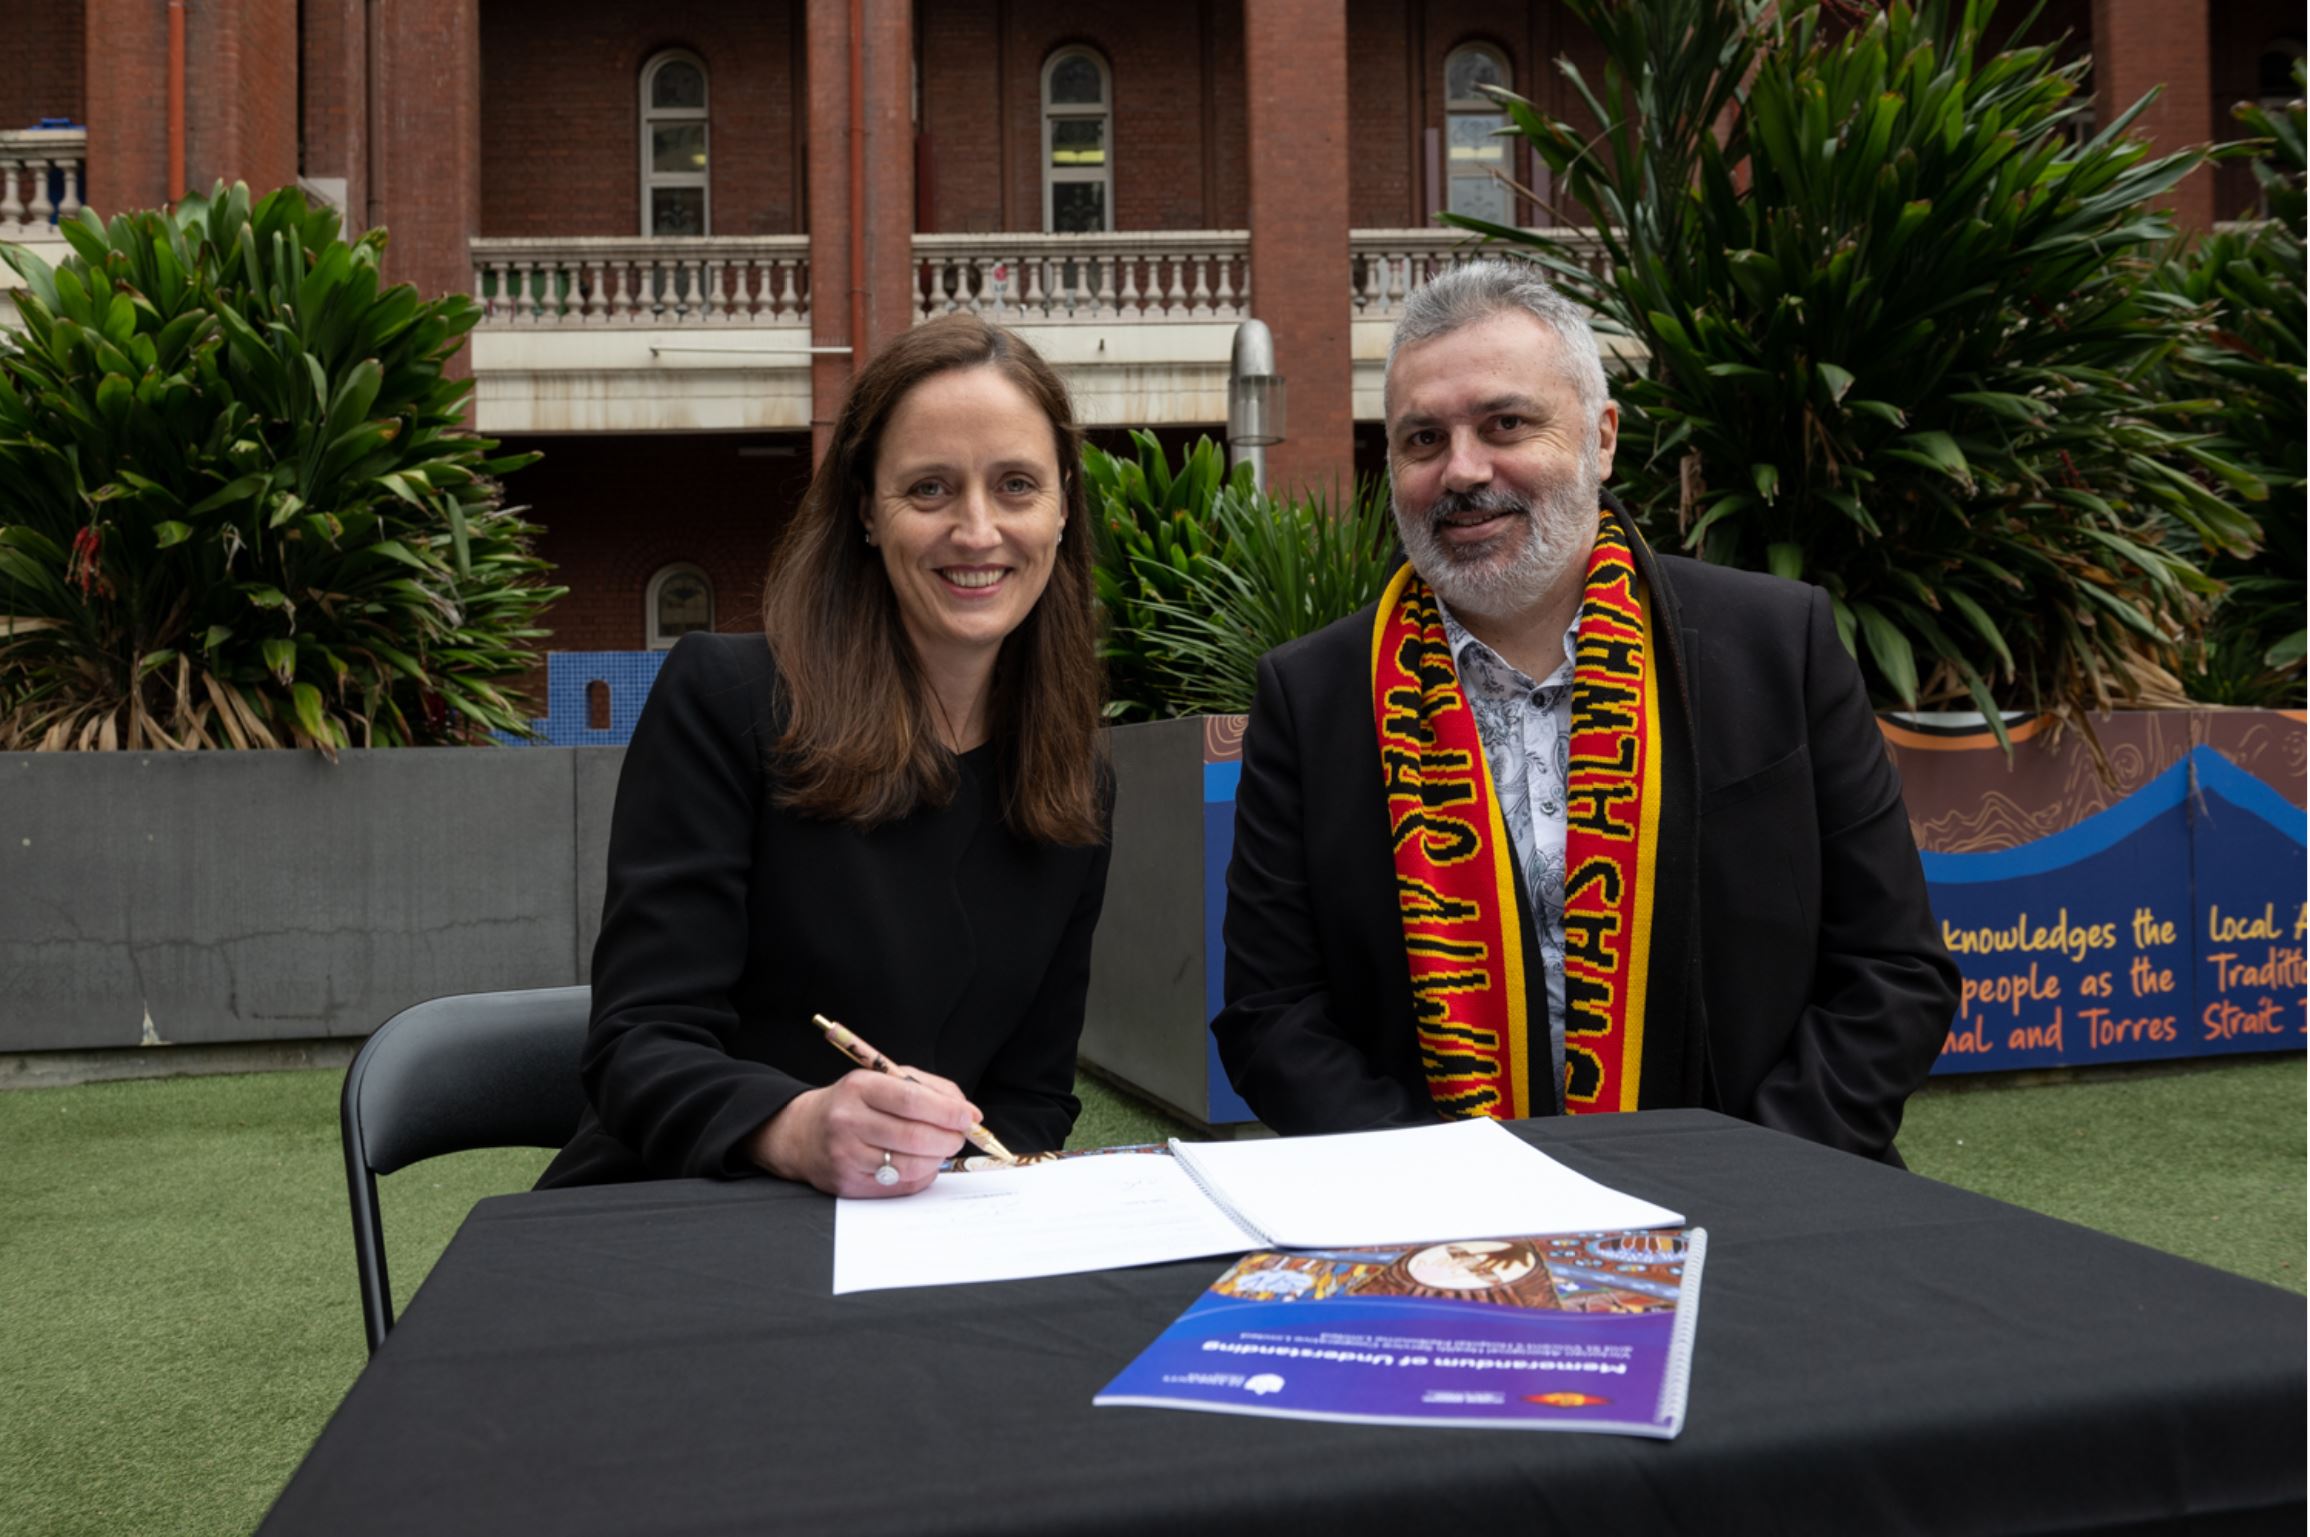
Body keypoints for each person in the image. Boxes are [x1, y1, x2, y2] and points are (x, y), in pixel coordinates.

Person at [1211, 261, 1957, 1163]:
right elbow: (1271, 1014)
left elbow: (1892, 970)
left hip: (1767, 1205)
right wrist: (1440, 1195)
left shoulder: (1776, 646)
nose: (1463, 470)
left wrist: (1752, 1180)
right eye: (1422, 440)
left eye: (1506, 424)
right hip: (1444, 1236)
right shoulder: (1314, 696)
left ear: (1601, 438)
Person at [539, 315, 1111, 1196]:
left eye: (1016, 485)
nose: (977, 528)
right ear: (866, 512)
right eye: (928, 489)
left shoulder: (1075, 781)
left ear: (1063, 508)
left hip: (909, 1241)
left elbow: (1031, 1097)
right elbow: (637, 1043)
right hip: (679, 1217)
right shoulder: (725, 701)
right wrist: (798, 1126)